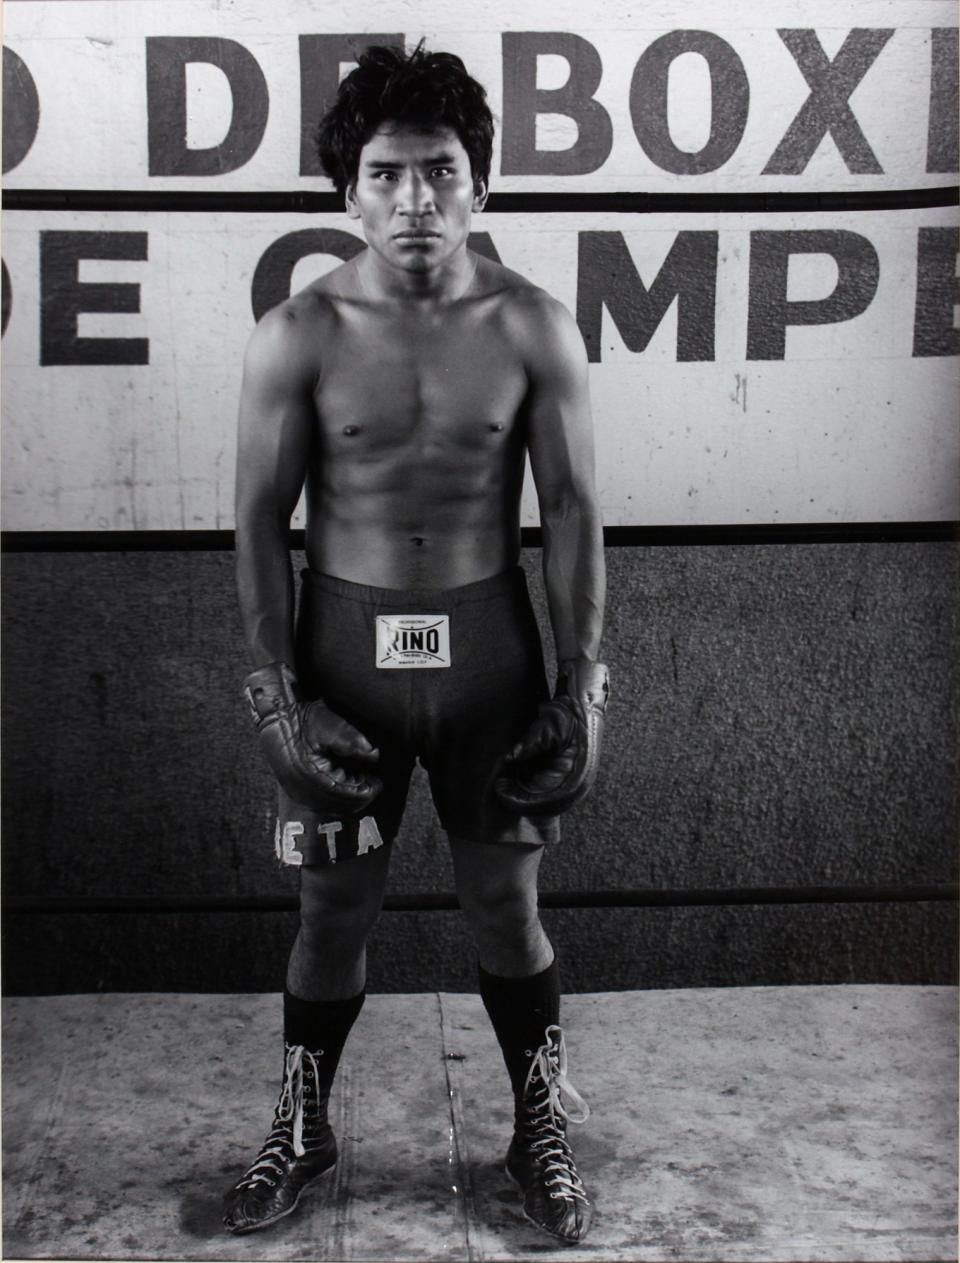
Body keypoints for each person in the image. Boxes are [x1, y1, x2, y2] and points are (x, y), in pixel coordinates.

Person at [223, 43, 609, 1246]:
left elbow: (576, 515)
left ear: (479, 185)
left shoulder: (533, 326)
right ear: (349, 190)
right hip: (344, 653)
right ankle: (304, 1122)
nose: (415, 202)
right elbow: (253, 521)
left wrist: (583, 688)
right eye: (387, 175)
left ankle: (536, 1123)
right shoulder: (300, 332)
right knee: (332, 913)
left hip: (490, 656)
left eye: (440, 173)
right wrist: (276, 703)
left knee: (506, 905)